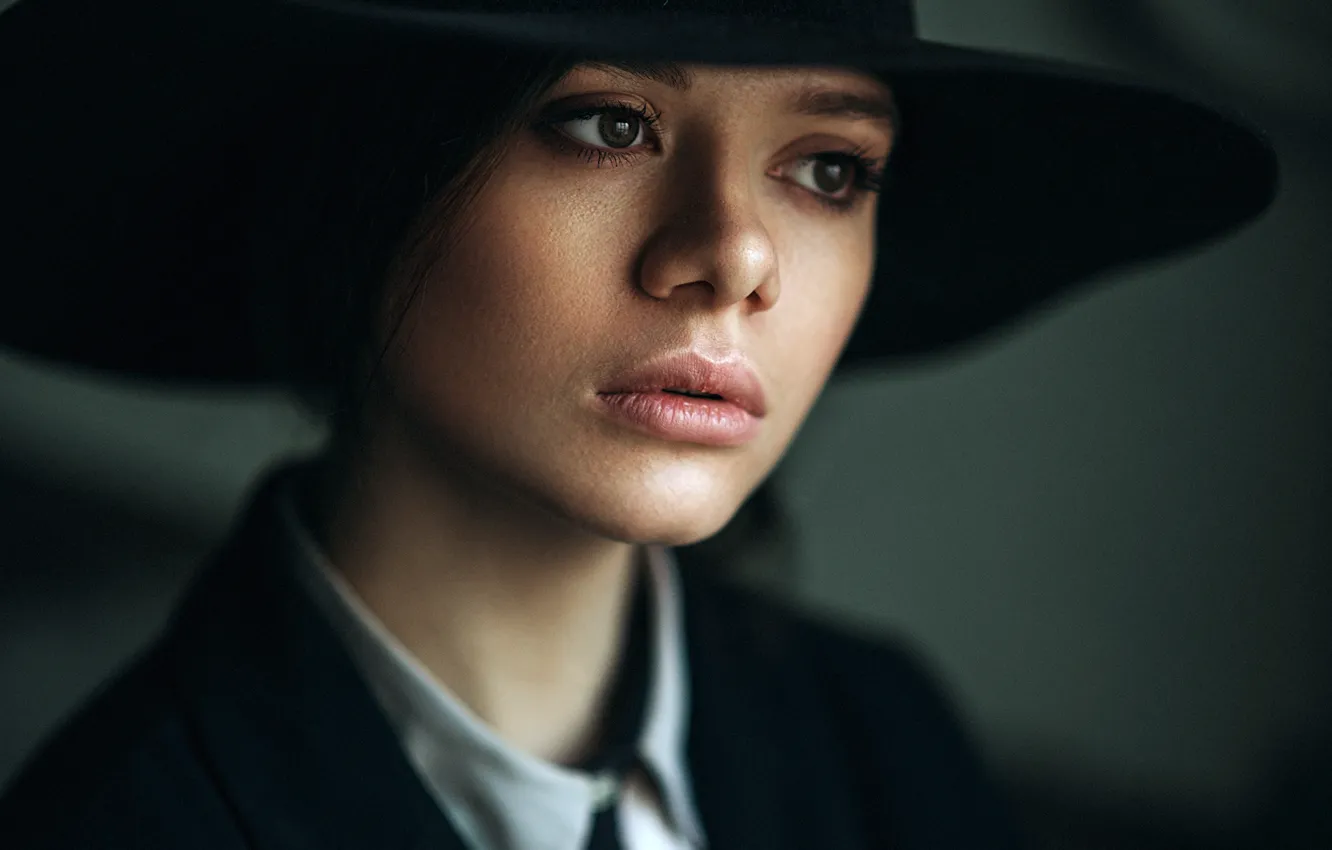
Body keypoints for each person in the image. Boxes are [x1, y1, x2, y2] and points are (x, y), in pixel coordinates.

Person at [0, 0, 1277, 848]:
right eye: (607, 125)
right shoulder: (125, 822)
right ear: (359, 184)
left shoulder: (874, 732)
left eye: (828, 169)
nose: (732, 254)